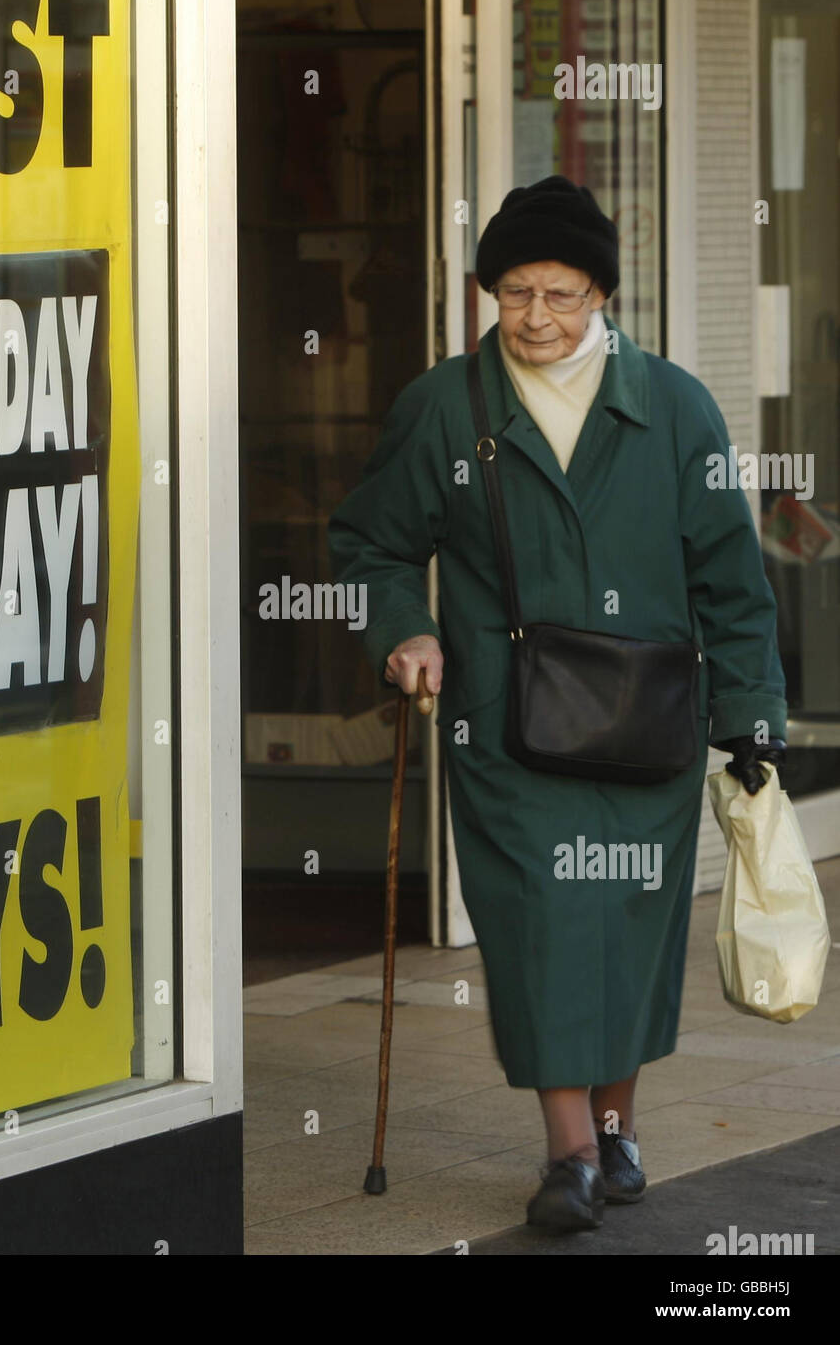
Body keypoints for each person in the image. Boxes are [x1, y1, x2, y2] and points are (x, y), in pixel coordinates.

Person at [327, 175, 786, 1233]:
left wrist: (753, 713)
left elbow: (729, 572)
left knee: (626, 928)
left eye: (563, 294)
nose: (537, 317)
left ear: (604, 297)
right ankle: (571, 1150)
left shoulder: (674, 406)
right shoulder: (446, 402)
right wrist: (405, 625)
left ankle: (619, 1127)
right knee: (541, 927)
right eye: (517, 292)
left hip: (651, 725)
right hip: (507, 725)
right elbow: (374, 540)